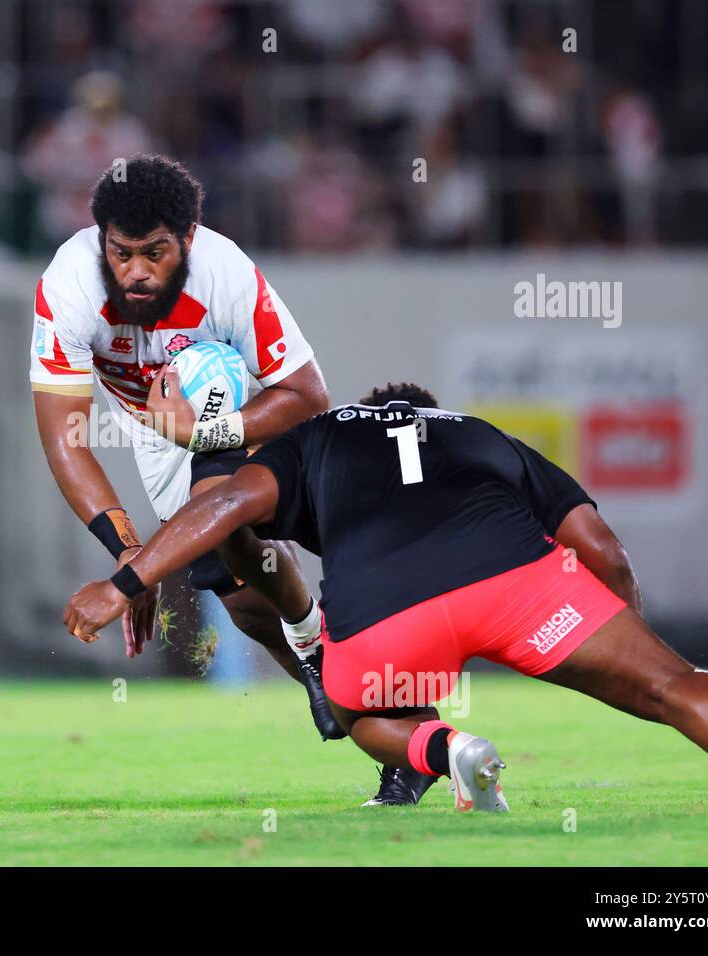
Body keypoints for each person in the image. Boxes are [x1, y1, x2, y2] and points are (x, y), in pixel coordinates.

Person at [64, 383, 708, 811]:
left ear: (363, 413)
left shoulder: (316, 438)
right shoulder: (487, 435)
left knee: (351, 711)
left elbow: (221, 512)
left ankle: (450, 749)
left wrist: (124, 580)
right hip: (520, 589)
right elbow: (603, 547)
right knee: (677, 689)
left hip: (386, 612)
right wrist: (622, 643)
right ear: (433, 417)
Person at [31, 156, 434, 807]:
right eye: (121, 252)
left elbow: (306, 393)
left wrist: (205, 437)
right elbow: (65, 441)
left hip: (243, 410)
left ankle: (316, 645)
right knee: (241, 598)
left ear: (188, 240)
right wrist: (129, 549)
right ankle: (382, 714)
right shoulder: (70, 284)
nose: (135, 271)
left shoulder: (226, 274)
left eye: (155, 253)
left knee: (221, 515)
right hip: (152, 427)